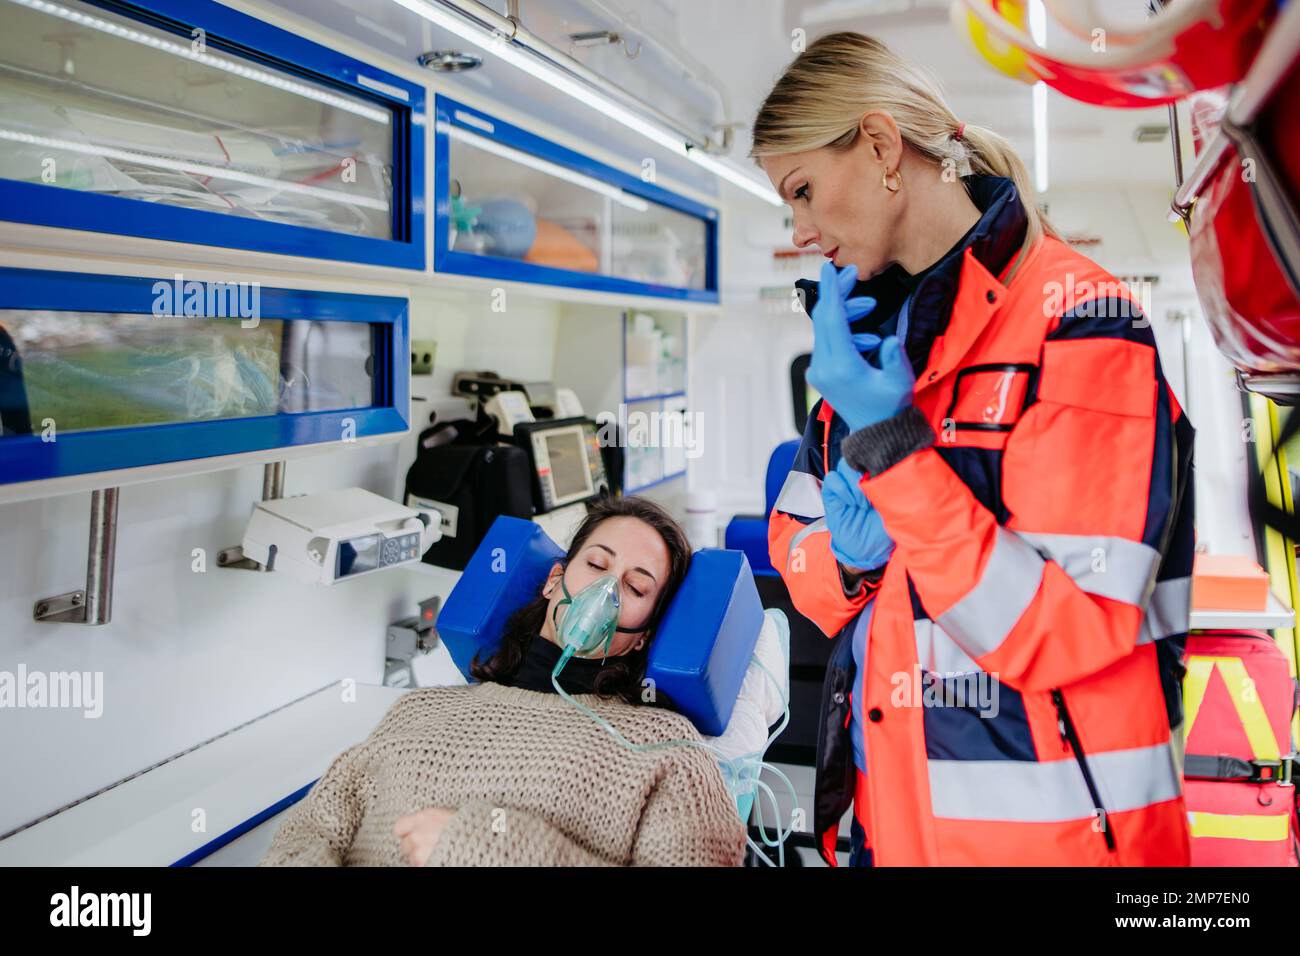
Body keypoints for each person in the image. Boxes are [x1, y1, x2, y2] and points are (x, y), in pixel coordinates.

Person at [754, 32, 1195, 866]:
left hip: (1061, 838)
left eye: (803, 191)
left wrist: (895, 455)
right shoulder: (863, 357)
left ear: (882, 146)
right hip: (892, 825)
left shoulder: (1081, 321)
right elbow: (796, 542)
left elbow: (1066, 628)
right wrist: (849, 565)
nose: (802, 230)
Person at [259, 496, 748, 867]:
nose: (605, 592)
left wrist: (487, 846)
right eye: (597, 565)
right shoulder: (420, 711)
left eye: (636, 587)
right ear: (554, 580)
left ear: (644, 635)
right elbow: (311, 829)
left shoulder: (665, 752)